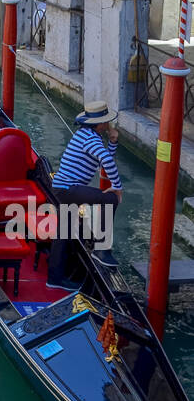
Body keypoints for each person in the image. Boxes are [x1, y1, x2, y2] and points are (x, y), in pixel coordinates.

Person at [47, 101, 122, 289]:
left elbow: (105, 159)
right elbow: (105, 161)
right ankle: (102, 249)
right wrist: (117, 188)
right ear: (99, 124)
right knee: (110, 198)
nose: (107, 125)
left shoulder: (86, 134)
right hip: (69, 188)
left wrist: (113, 142)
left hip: (62, 188)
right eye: (105, 122)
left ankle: (54, 280)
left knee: (63, 232)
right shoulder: (91, 139)